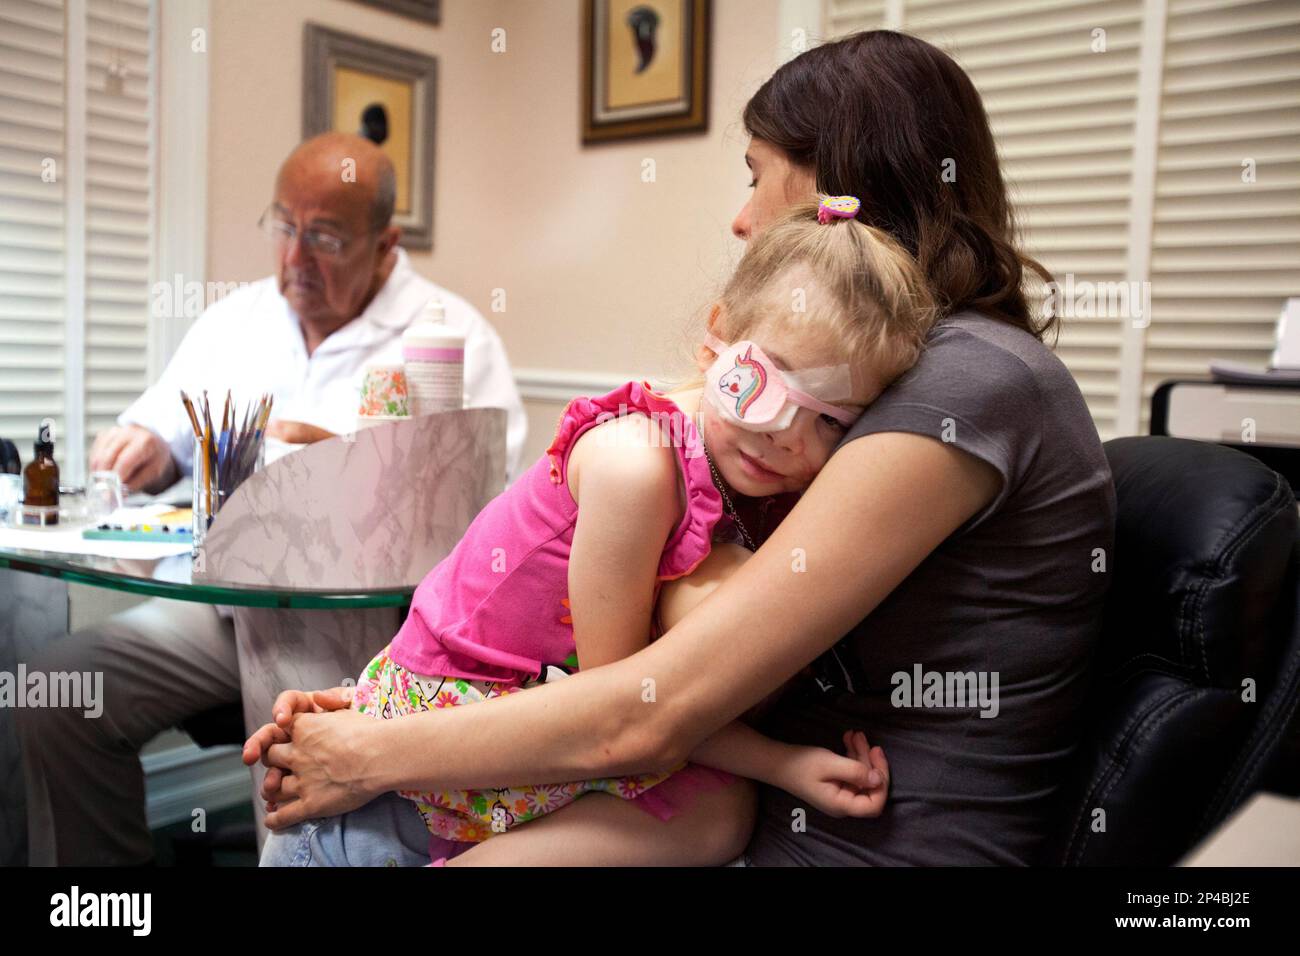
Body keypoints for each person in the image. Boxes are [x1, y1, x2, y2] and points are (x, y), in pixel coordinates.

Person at [244, 31, 1117, 867]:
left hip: (831, 842)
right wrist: (405, 700)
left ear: (838, 191)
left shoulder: (958, 384)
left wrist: (372, 750)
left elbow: (638, 715)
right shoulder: (867, 384)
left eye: (758, 177)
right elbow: (642, 633)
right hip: (732, 796)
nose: (742, 221)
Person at [260, 197, 925, 866]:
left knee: (718, 810)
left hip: (513, 760)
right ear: (715, 337)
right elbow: (628, 709)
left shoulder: (757, 483)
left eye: (832, 421)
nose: (786, 437)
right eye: (764, 384)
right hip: (392, 799)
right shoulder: (635, 466)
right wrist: (781, 763)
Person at [16, 132, 526, 866]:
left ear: (384, 245)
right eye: (284, 227)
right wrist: (146, 449)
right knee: (58, 692)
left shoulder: (452, 338)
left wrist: (347, 465)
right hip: (218, 614)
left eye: (322, 236)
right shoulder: (234, 320)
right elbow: (160, 434)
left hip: (372, 633)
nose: (295, 258)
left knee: (295, 757)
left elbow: (482, 516)